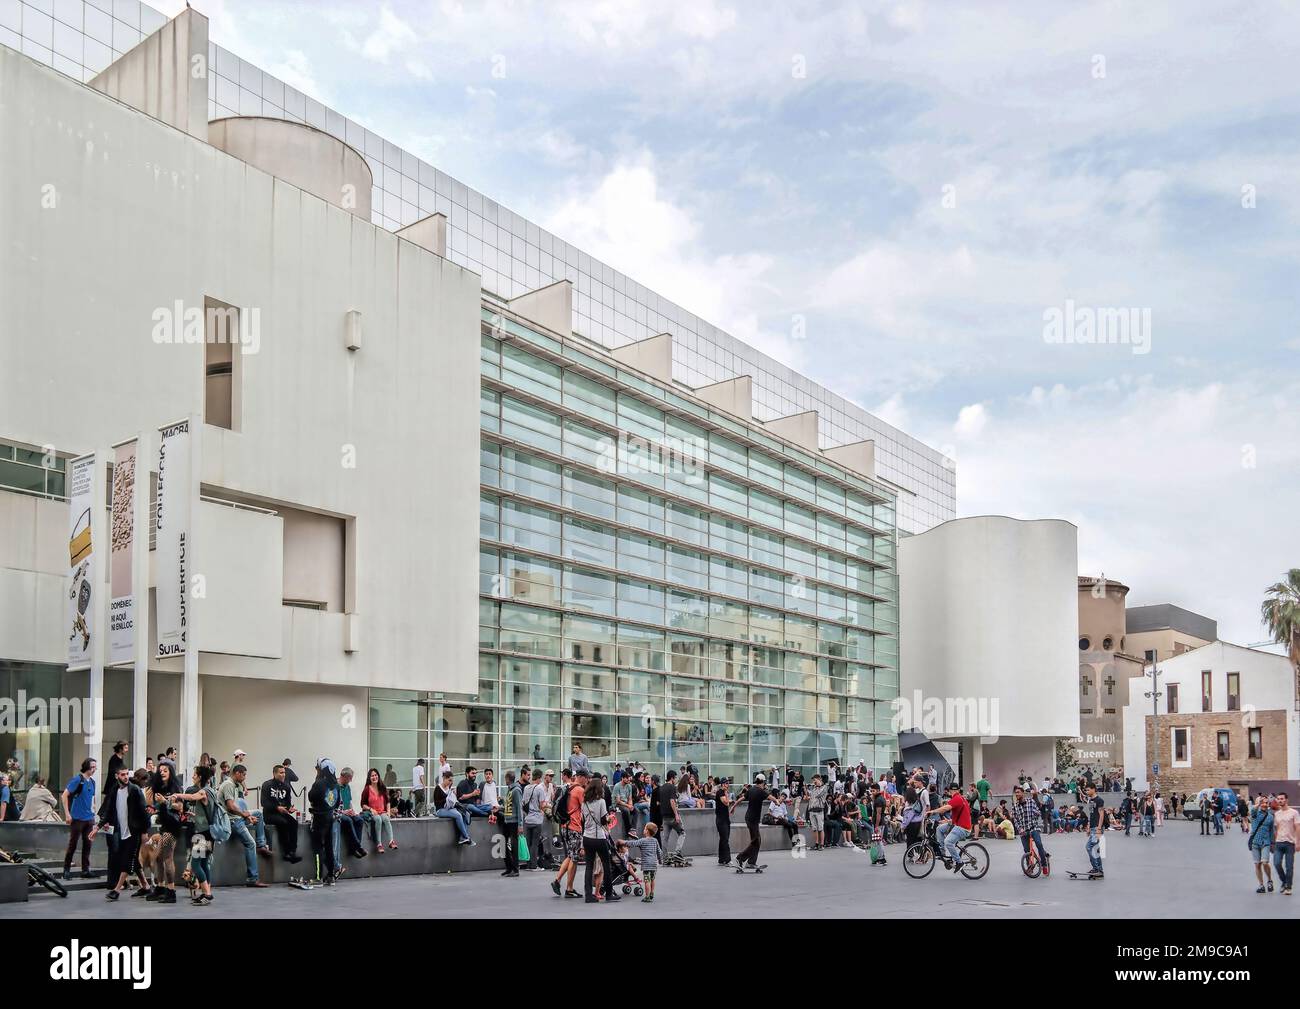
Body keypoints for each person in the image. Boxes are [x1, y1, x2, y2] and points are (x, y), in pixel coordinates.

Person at [92, 764, 150, 900]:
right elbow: (108, 812)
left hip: (134, 831)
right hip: (122, 831)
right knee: (134, 860)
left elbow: (144, 812)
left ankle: (116, 890)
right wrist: (97, 827)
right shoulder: (114, 791)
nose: (125, 777)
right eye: (122, 775)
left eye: (126, 774)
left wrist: (144, 832)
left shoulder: (135, 790)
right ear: (117, 776)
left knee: (127, 860)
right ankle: (146, 886)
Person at [218, 764, 271, 887]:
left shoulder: (235, 786)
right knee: (250, 843)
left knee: (258, 813)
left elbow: (235, 807)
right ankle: (252, 879)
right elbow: (230, 807)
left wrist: (246, 816)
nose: (245, 777)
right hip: (232, 821)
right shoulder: (228, 785)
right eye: (244, 775)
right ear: (237, 773)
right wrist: (246, 816)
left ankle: (261, 844)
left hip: (237, 817)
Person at [178, 764, 216, 906]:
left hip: (202, 835)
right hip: (208, 833)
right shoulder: (210, 790)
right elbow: (207, 812)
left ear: (200, 777)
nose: (193, 777)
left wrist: (178, 795)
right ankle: (207, 892)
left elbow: (192, 796)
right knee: (204, 863)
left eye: (194, 774)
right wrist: (194, 814)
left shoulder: (203, 791)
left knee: (195, 864)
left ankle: (207, 894)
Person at [579, 771, 618, 903]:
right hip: (599, 837)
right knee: (606, 864)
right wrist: (609, 818)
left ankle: (588, 895)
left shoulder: (584, 803)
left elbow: (582, 821)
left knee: (589, 866)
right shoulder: (601, 801)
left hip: (587, 837)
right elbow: (603, 821)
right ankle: (608, 893)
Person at [148, 762, 183, 903]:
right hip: (164, 825)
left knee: (167, 858)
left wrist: (165, 801)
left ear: (170, 773)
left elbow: (180, 806)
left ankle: (171, 891)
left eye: (165, 771)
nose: (162, 773)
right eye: (160, 770)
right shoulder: (160, 787)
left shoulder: (175, 787)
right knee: (158, 858)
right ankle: (161, 888)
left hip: (172, 826)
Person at [60, 758, 98, 881]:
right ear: (86, 767)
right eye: (92, 767)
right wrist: (67, 814)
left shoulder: (92, 782)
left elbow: (92, 798)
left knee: (88, 844)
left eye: (95, 767)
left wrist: (94, 811)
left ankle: (85, 870)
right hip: (77, 817)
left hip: (89, 818)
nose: (94, 769)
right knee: (73, 844)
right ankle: (66, 869)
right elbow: (64, 795)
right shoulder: (78, 780)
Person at [308, 758, 342, 884]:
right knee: (329, 847)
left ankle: (318, 877)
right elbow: (337, 803)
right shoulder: (336, 786)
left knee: (317, 848)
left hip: (319, 818)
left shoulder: (319, 783)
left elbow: (311, 796)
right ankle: (331, 876)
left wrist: (317, 777)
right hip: (330, 818)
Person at [551, 768, 583, 899]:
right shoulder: (579, 790)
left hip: (564, 825)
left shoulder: (566, 788)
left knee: (570, 855)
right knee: (574, 858)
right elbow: (586, 808)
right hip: (574, 827)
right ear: (579, 777)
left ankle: (557, 880)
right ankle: (569, 889)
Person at [926, 782, 972, 873]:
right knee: (939, 828)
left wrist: (932, 812)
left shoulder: (957, 798)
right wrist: (948, 821)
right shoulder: (961, 798)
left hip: (963, 827)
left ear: (950, 791)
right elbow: (960, 814)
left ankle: (959, 862)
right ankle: (942, 851)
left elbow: (945, 808)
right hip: (958, 824)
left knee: (948, 842)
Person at [260, 764, 303, 862]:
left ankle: (292, 851)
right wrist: (277, 807)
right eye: (281, 773)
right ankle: (286, 852)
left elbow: (287, 803)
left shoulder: (286, 787)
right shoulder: (267, 785)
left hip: (282, 813)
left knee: (294, 823)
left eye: (284, 773)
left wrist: (289, 809)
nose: (283, 775)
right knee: (283, 823)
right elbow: (263, 803)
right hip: (269, 814)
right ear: (274, 774)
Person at [1010, 783, 1050, 871]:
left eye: (1018, 792)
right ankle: (1029, 866)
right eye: (1015, 793)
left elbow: (1038, 812)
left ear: (1023, 793)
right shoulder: (1015, 806)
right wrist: (1019, 828)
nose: (1016, 794)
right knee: (1027, 850)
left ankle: (1044, 865)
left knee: (1039, 844)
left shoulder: (1030, 801)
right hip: (1023, 831)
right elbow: (1015, 820)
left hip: (1033, 828)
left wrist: (1036, 813)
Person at [734, 774, 770, 870]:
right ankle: (740, 858)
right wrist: (778, 802)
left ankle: (751, 862)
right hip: (752, 820)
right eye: (764, 783)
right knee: (756, 841)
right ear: (762, 782)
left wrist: (733, 807)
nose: (764, 785)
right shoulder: (761, 791)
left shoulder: (751, 790)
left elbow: (740, 799)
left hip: (750, 819)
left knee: (757, 840)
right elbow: (772, 798)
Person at [333, 767, 369, 860]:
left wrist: (353, 811)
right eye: (350, 778)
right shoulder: (334, 786)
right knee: (348, 821)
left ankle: (354, 849)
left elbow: (349, 802)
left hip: (347, 811)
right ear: (344, 777)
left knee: (359, 820)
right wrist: (344, 812)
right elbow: (332, 805)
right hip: (338, 813)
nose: (351, 780)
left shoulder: (347, 787)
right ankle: (358, 847)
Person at [521, 768, 552, 870]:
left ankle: (529, 864)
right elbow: (542, 805)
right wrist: (547, 808)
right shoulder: (539, 789)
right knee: (535, 844)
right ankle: (534, 866)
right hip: (537, 820)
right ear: (539, 777)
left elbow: (523, 803)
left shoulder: (526, 788)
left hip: (527, 819)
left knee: (529, 843)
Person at [433, 771, 474, 845]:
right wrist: (447, 799)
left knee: (464, 813)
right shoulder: (438, 788)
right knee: (458, 815)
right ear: (444, 778)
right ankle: (466, 837)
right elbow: (437, 803)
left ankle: (463, 837)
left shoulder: (448, 788)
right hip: (440, 810)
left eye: (451, 780)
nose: (450, 782)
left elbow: (451, 801)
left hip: (449, 809)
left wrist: (452, 797)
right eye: (449, 780)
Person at [361, 767, 397, 853]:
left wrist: (388, 812)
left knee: (386, 819)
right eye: (372, 776)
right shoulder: (367, 789)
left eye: (375, 775)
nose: (374, 777)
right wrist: (371, 809)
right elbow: (362, 805)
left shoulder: (382, 787)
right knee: (378, 819)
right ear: (369, 778)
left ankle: (391, 841)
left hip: (382, 811)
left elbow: (388, 801)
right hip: (373, 812)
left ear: (378, 776)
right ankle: (379, 844)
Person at [626, 821, 661, 902]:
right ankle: (652, 893)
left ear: (647, 831)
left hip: (646, 865)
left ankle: (647, 897)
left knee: (647, 881)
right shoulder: (655, 840)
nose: (643, 829)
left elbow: (633, 843)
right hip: (653, 864)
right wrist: (660, 860)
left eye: (645, 828)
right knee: (652, 880)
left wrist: (625, 843)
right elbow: (659, 851)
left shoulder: (642, 840)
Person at [1247, 794, 1275, 894]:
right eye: (1262, 802)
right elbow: (1252, 811)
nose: (1264, 804)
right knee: (1257, 864)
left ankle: (1270, 880)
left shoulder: (1271, 817)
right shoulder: (1255, 813)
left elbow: (1272, 831)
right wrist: (1258, 803)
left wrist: (1273, 844)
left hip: (1266, 842)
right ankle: (1261, 885)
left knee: (1265, 862)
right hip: (1255, 842)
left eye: (1266, 803)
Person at [1273, 792, 1298, 896]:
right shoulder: (1277, 814)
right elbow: (1276, 828)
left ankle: (1288, 887)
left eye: (1282, 799)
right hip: (1279, 843)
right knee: (1277, 863)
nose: (1280, 800)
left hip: (1290, 843)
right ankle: (1284, 881)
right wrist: (1275, 840)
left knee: (1289, 866)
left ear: (1286, 800)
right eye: (1278, 799)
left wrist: (1298, 842)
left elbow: (1298, 827)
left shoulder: (1294, 812)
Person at [499, 769, 523, 877]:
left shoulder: (516, 790)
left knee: (514, 846)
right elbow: (509, 806)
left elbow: (519, 808)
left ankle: (515, 869)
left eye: (505, 778)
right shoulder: (510, 790)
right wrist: (499, 808)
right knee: (503, 843)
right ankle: (509, 867)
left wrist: (520, 825)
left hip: (513, 821)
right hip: (507, 820)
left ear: (508, 779)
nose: (505, 780)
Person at [658, 769, 686, 857]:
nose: (677, 779)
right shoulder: (672, 787)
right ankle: (677, 852)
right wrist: (676, 815)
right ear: (672, 778)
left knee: (665, 838)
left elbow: (659, 803)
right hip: (672, 817)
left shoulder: (661, 788)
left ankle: (664, 857)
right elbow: (672, 801)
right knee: (682, 833)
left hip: (664, 817)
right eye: (676, 777)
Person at [1084, 783, 1105, 879]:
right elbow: (1091, 814)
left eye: (1088, 790)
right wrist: (1088, 827)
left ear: (1093, 789)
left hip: (1097, 828)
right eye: (1086, 790)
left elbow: (1101, 815)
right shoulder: (1091, 800)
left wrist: (1099, 829)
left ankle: (1096, 868)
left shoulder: (1099, 800)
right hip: (1092, 827)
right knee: (1095, 849)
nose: (1087, 792)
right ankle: (1099, 870)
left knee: (1089, 847)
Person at [713, 778, 733, 865]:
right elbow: (726, 802)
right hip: (720, 820)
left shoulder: (724, 793)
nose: (727, 785)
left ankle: (721, 860)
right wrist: (727, 796)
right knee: (725, 839)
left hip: (726, 819)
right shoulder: (720, 792)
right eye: (725, 783)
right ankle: (728, 860)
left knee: (723, 839)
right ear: (722, 784)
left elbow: (727, 804)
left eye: (728, 783)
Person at [807, 773, 828, 851]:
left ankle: (822, 844)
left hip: (819, 810)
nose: (813, 781)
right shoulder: (814, 788)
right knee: (814, 828)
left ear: (819, 779)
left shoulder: (824, 787)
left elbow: (818, 795)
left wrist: (818, 785)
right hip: (812, 810)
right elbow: (811, 798)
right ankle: (816, 844)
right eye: (813, 780)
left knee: (820, 828)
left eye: (814, 779)